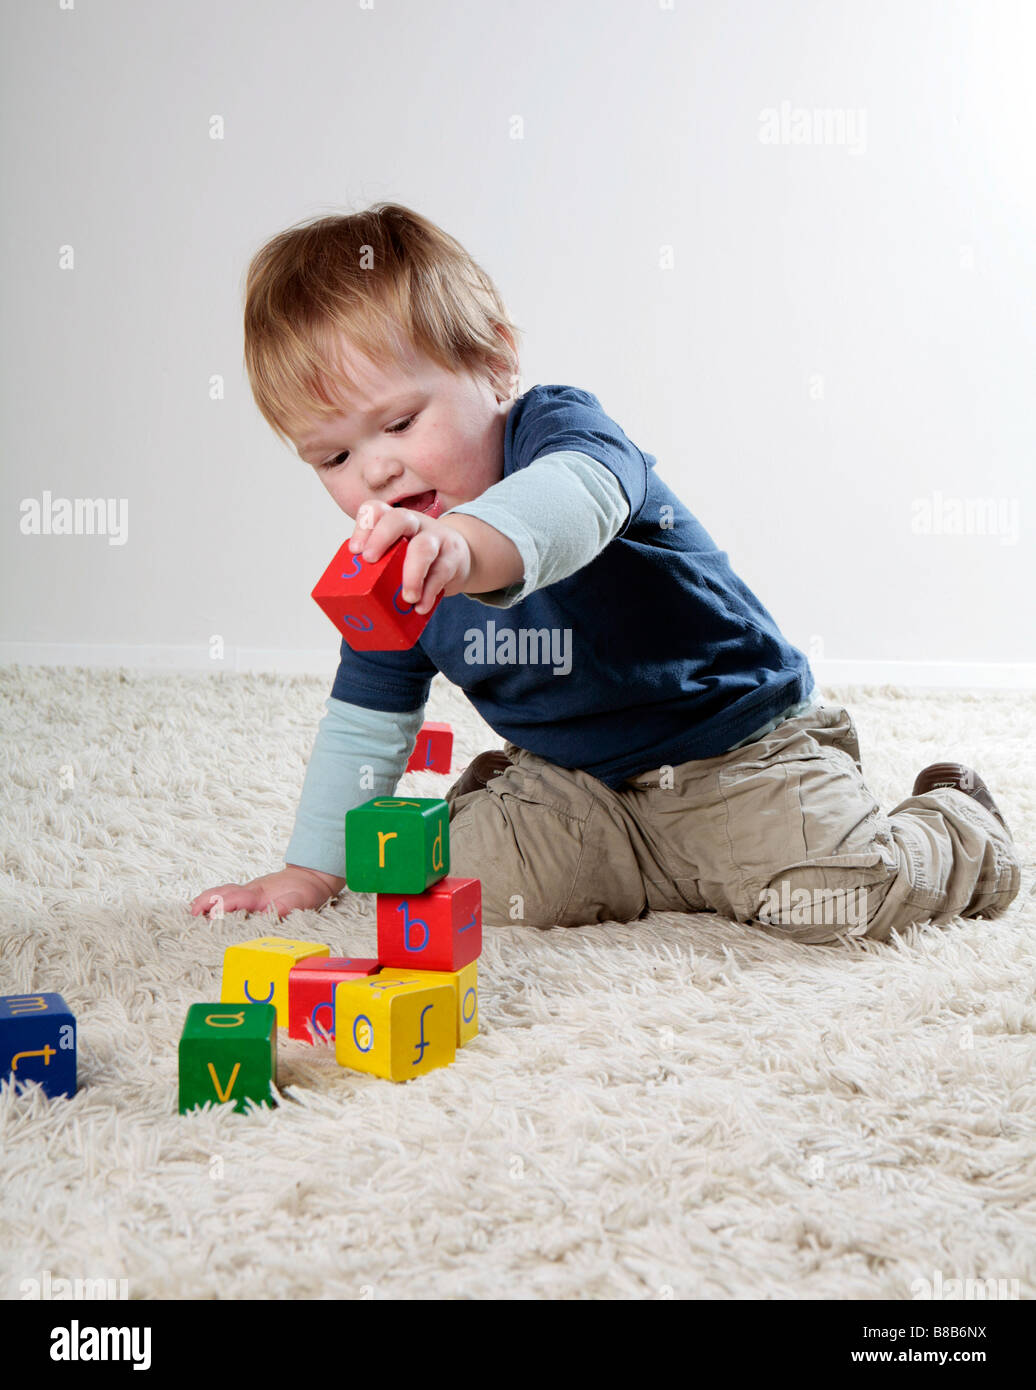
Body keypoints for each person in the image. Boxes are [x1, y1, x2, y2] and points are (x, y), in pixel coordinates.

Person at [190, 203, 1020, 944]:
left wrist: (469, 548)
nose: (374, 471)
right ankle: (514, 797)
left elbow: (573, 504)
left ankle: (958, 822)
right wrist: (310, 870)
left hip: (734, 754)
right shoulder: (391, 566)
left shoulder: (561, 434)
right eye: (333, 456)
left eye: (401, 422)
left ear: (493, 364)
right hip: (576, 787)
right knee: (433, 883)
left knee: (836, 899)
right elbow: (364, 721)